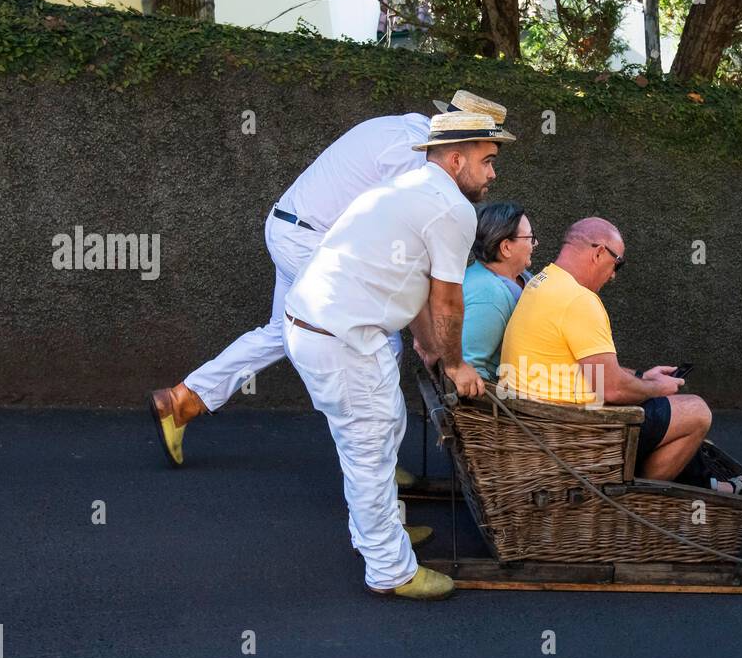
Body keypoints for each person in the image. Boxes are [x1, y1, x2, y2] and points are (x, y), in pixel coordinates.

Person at [147, 90, 510, 474]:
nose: (491, 169)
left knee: (281, 331)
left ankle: (181, 400)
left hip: (291, 226)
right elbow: (406, 257)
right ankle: (376, 468)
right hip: (310, 239)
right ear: (460, 145)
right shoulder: (415, 158)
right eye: (485, 151)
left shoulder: (406, 130)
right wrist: (429, 342)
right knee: (373, 335)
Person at [284, 112, 513, 601]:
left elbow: (407, 280)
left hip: (326, 329)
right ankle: (389, 569)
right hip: (343, 339)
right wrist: (453, 363)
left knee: (384, 430)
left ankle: (378, 534)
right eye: (488, 161)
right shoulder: (451, 208)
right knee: (368, 448)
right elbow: (446, 297)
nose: (493, 173)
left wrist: (430, 343)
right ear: (456, 159)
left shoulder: (404, 190)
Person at [498, 218, 739, 489]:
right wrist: (656, 388)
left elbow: (591, 367)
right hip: (579, 431)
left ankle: (703, 483)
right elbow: (612, 390)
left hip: (547, 424)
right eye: (618, 263)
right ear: (599, 252)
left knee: (666, 412)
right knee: (697, 412)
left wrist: (642, 377)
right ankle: (637, 499)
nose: (613, 275)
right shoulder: (580, 300)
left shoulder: (542, 282)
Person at [426, 201, 536, 381]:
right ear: (506, 247)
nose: (535, 243)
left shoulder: (517, 276)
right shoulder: (489, 295)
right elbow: (472, 367)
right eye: (530, 238)